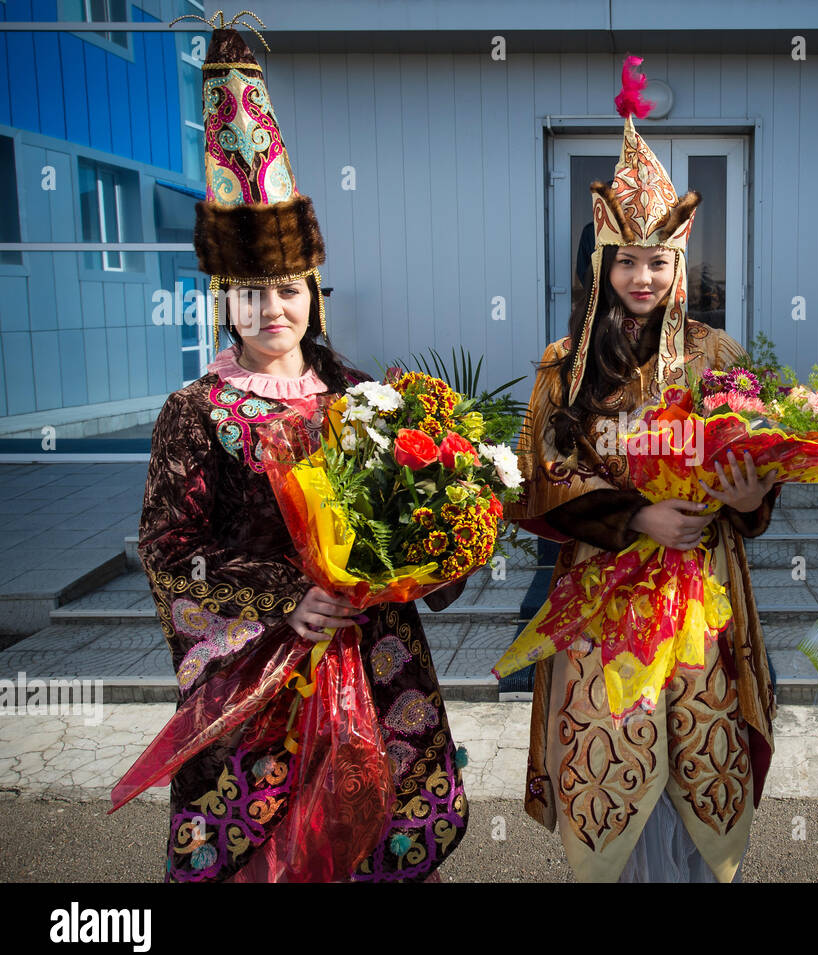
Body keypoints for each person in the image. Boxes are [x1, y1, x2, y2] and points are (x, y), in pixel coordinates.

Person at [133, 18, 467, 882]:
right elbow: (170, 553)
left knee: (371, 839)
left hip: (376, 660)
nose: (272, 308)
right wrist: (289, 598)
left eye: (287, 288)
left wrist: (441, 547)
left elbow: (425, 522)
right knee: (274, 852)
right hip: (262, 678)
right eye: (250, 293)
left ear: (312, 292)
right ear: (223, 300)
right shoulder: (194, 411)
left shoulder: (368, 401)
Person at [508, 55, 778, 882]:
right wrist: (633, 517)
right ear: (601, 265)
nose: (642, 277)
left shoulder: (718, 356)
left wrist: (751, 493)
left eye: (657, 262)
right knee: (617, 755)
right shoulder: (566, 363)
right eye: (625, 260)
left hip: (704, 588)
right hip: (600, 595)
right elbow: (536, 473)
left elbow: (763, 459)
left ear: (679, 267)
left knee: (697, 760)